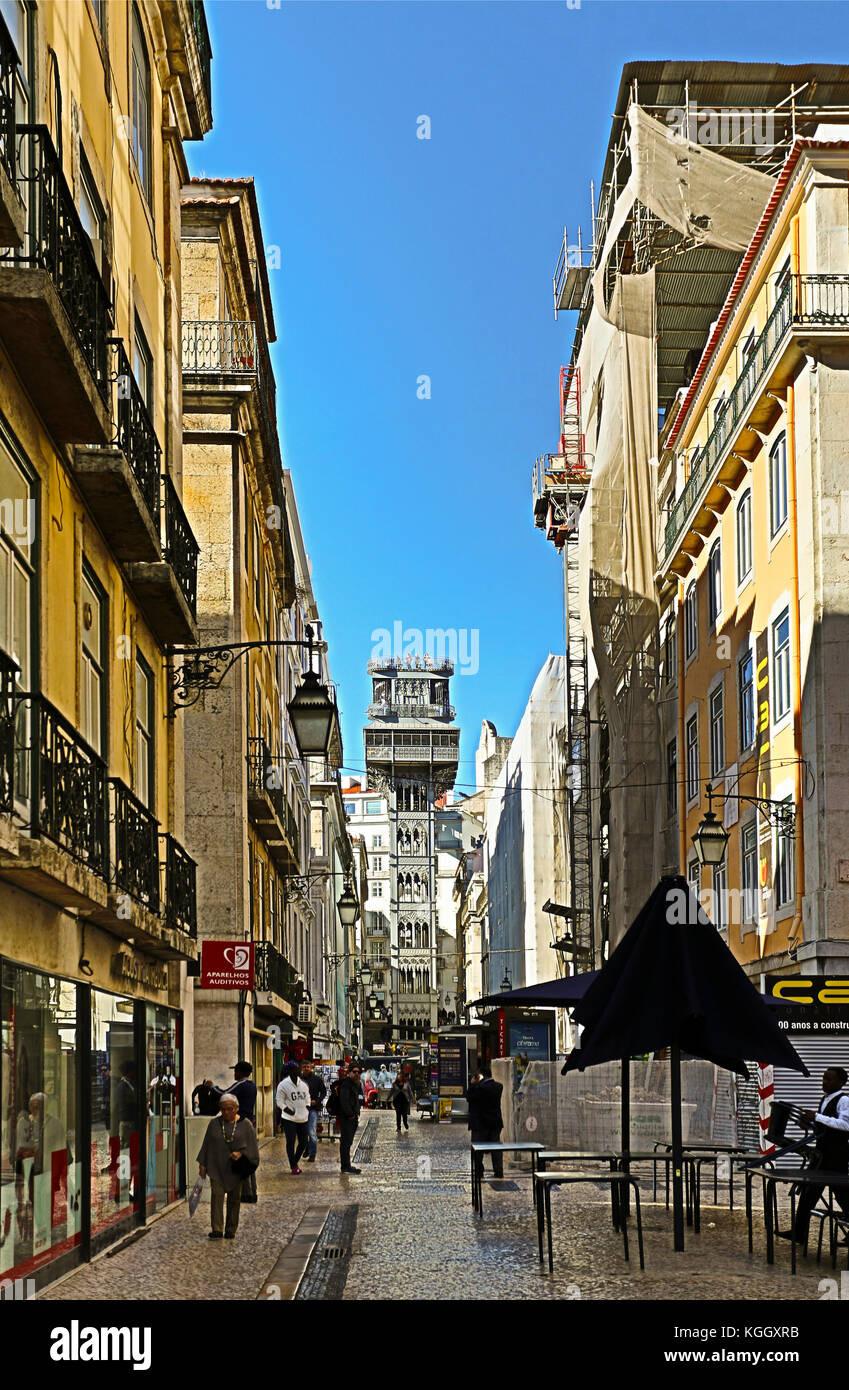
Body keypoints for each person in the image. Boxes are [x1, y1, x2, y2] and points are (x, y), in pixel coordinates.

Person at [778, 1067, 849, 1246]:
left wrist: (817, 1117)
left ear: (842, 1083)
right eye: (824, 1078)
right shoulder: (825, 1100)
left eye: (830, 1079)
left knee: (843, 1196)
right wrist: (808, 1123)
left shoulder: (844, 1100)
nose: (825, 1082)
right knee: (808, 1194)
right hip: (821, 1156)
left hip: (836, 1157)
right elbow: (824, 1127)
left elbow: (845, 1125)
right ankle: (799, 1231)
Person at [196, 1093, 259, 1240]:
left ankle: (231, 1229)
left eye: (229, 1109)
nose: (226, 1112)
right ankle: (217, 1229)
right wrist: (203, 1163)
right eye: (223, 1109)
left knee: (234, 1199)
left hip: (235, 1169)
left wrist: (241, 1154)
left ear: (236, 1109)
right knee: (217, 1196)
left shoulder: (246, 1125)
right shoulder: (214, 1124)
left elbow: (252, 1147)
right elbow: (207, 1144)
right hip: (217, 1166)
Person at [466, 1063, 504, 1180]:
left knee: (478, 1151)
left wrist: (472, 1084)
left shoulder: (480, 1088)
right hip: (495, 1123)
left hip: (480, 1124)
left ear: (481, 1075)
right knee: (496, 1149)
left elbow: (469, 1098)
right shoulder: (499, 1086)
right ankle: (498, 1171)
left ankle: (479, 1172)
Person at [276, 1063, 311, 1174]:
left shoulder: (303, 1085)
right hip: (289, 1119)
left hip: (303, 1118)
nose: (299, 1070)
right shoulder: (283, 1084)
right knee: (290, 1142)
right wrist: (286, 1109)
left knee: (304, 1142)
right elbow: (279, 1101)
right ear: (290, 1071)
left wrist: (308, 1106)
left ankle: (294, 1161)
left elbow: (308, 1096)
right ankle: (293, 1166)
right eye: (296, 1068)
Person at [328, 1065, 362, 1174]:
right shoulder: (346, 1085)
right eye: (354, 1071)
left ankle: (346, 1165)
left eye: (358, 1072)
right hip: (347, 1117)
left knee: (347, 1142)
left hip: (351, 1117)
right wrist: (350, 1114)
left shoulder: (354, 1084)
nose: (356, 1074)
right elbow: (344, 1101)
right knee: (346, 1142)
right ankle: (345, 1166)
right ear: (349, 1073)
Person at [301, 1061, 326, 1163]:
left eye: (308, 1067)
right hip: (301, 1109)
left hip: (312, 1109)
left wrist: (317, 1101)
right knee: (302, 1133)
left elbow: (323, 1092)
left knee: (311, 1132)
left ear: (311, 1068)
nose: (306, 1068)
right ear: (301, 1068)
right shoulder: (299, 1080)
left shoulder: (317, 1079)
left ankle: (312, 1154)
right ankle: (307, 1147)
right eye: (304, 1067)